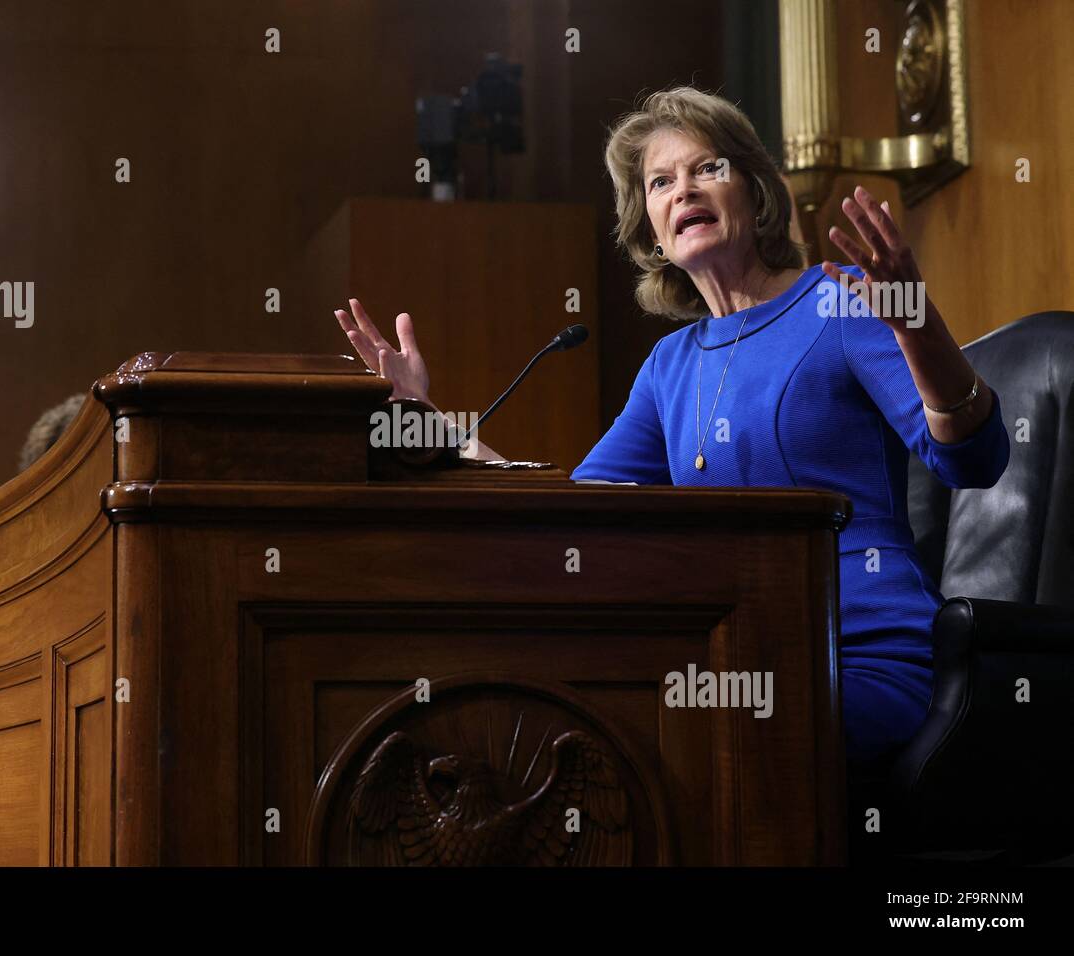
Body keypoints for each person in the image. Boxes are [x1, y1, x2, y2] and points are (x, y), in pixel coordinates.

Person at [333, 86, 1008, 785]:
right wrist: (429, 419)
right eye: (660, 181)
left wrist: (915, 321)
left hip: (858, 655)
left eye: (707, 168)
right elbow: (576, 514)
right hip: (735, 656)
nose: (683, 188)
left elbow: (975, 457)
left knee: (692, 735)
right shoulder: (670, 366)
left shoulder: (838, 302)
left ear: (755, 193)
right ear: (651, 228)